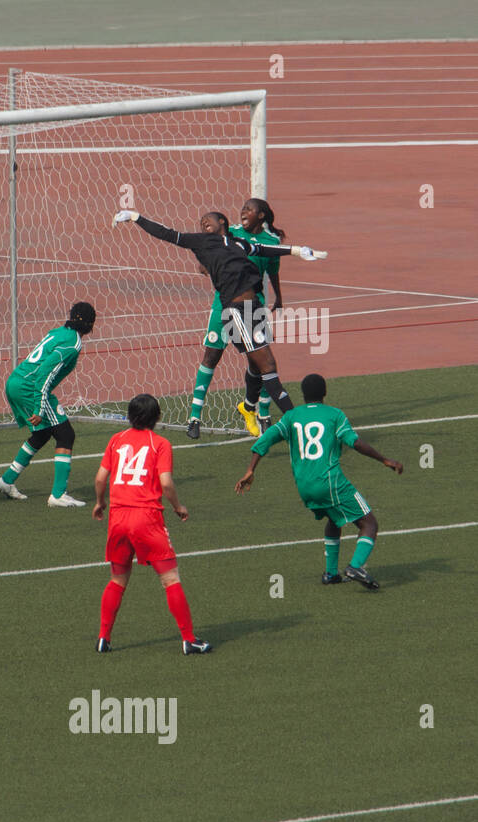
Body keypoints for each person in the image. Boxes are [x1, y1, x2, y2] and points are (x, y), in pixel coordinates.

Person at [112, 207, 325, 438]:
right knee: (267, 366)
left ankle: (253, 407)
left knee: (259, 367)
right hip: (235, 311)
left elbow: (264, 249)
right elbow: (167, 233)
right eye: (201, 222)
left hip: (252, 309)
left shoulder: (239, 244)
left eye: (207, 220)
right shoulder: (202, 242)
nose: (203, 223)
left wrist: (296, 250)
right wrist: (135, 217)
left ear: (222, 220)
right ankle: (295, 422)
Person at [234, 373, 403, 589]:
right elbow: (355, 442)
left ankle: (331, 574)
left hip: (304, 487)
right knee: (369, 523)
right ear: (325, 393)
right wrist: (384, 459)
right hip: (329, 482)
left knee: (334, 519)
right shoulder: (334, 415)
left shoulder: (291, 416)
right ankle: (355, 566)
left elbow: (266, 438)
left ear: (303, 395)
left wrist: (250, 470)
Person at [92, 394, 211, 655]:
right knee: (170, 579)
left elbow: (101, 478)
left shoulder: (116, 440)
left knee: (117, 579)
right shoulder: (160, 444)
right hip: (146, 519)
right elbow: (166, 483)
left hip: (118, 518)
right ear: (157, 417)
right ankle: (189, 639)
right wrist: (178, 507)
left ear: (129, 416)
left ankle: (104, 637)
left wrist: (100, 502)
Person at [185, 199, 288, 439]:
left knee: (260, 362)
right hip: (224, 303)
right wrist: (208, 266)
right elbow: (206, 258)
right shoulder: (231, 234)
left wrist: (279, 298)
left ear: (261, 215)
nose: (243, 211)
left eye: (249, 209)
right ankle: (194, 417)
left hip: (254, 305)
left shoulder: (271, 242)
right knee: (211, 355)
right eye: (242, 208)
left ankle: (260, 413)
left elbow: (273, 272)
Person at [0, 301, 94, 507]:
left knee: (42, 433)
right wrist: (39, 407)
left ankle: (6, 480)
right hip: (31, 387)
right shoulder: (72, 344)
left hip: (16, 381)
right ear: (91, 324)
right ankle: (58, 495)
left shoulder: (58, 332)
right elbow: (43, 375)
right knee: (66, 434)